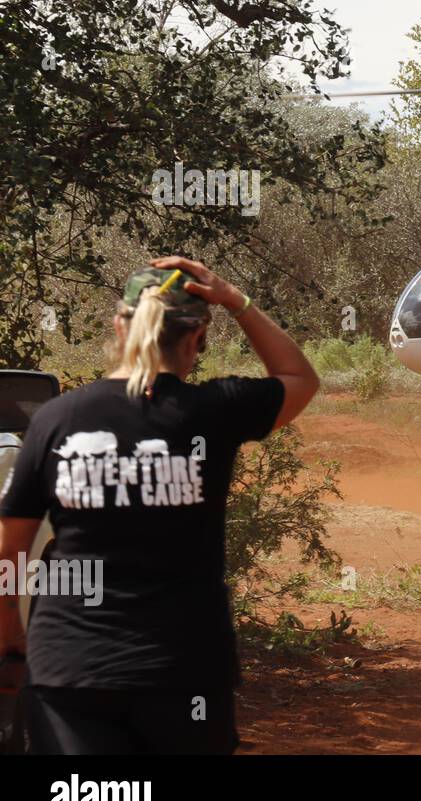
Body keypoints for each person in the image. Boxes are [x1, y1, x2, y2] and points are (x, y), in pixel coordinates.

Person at [0, 257, 319, 754]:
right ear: (196, 339)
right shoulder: (214, 411)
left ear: (119, 326)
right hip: (183, 671)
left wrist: (9, 638)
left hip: (71, 670)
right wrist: (238, 302)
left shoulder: (57, 420)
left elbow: (11, 552)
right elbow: (298, 377)